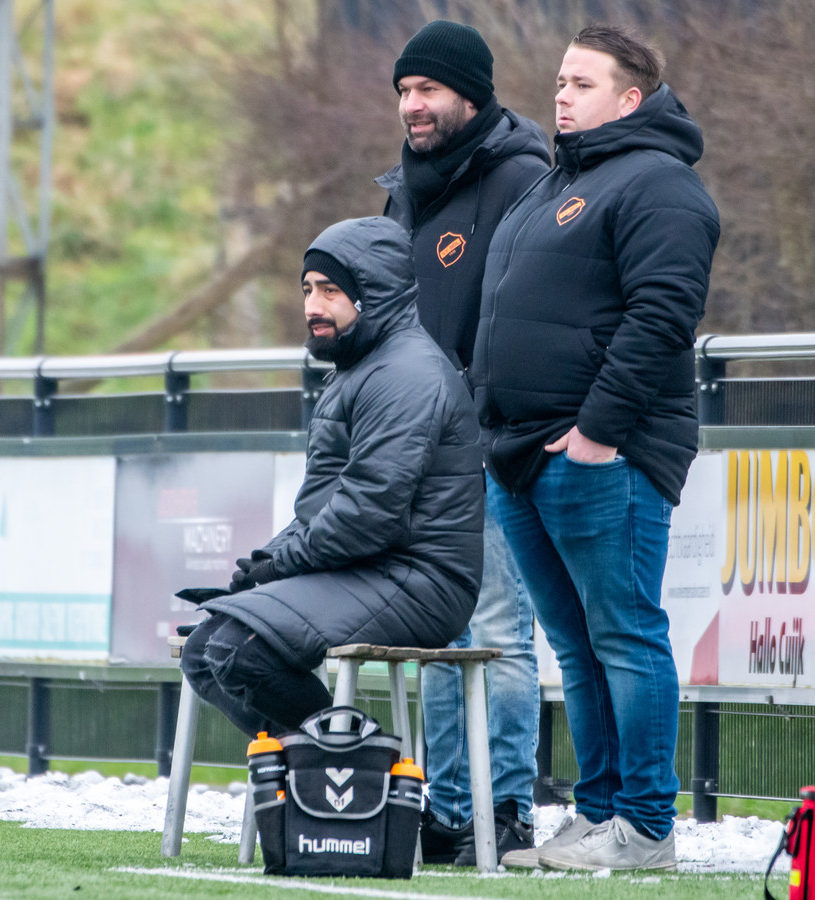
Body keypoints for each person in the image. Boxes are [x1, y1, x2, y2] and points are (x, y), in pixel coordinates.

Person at [470, 24, 720, 871]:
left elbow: (660, 321)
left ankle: (646, 826)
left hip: (600, 455)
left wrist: (596, 437)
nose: (562, 95)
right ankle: (600, 811)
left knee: (623, 635)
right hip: (518, 454)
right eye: (561, 81)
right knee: (575, 645)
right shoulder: (552, 183)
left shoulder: (660, 186)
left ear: (629, 98)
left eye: (582, 83)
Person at [180, 216, 484, 745]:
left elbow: (366, 513)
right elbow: (319, 511)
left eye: (330, 291)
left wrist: (280, 566)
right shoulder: (359, 368)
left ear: (374, 294)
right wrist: (259, 569)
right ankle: (314, 796)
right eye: (307, 289)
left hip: (418, 578)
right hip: (365, 568)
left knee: (239, 648)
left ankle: (369, 777)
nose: (312, 307)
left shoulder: (405, 375)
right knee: (205, 651)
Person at [376, 19, 550, 867]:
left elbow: (528, 317)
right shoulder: (406, 187)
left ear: (470, 95)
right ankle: (450, 809)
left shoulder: (522, 176)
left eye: (428, 91)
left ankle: (506, 807)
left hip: (488, 448)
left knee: (498, 633)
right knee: (441, 635)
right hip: (414, 451)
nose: (412, 106)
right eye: (404, 91)